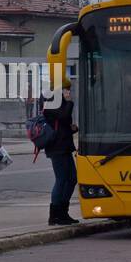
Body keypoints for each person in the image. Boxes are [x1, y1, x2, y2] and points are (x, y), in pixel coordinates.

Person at [44, 81, 79, 225]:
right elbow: (63, 117)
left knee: (72, 179)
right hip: (57, 148)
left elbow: (62, 125)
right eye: (66, 89)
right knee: (61, 179)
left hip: (64, 146)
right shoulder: (51, 103)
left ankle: (64, 211)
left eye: (69, 90)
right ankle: (55, 214)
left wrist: (72, 129)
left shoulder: (61, 103)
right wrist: (70, 103)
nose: (68, 92)